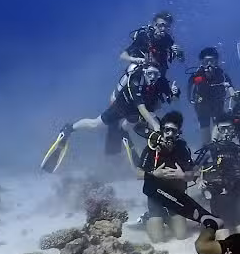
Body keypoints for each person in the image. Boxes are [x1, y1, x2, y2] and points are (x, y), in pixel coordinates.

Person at [41, 63, 175, 173]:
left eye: (156, 74)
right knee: (96, 124)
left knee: (128, 126)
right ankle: (69, 128)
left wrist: (175, 93)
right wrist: (155, 125)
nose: (153, 77)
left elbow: (168, 98)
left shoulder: (157, 83)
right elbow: (141, 107)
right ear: (144, 71)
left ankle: (124, 132)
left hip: (134, 111)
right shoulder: (135, 81)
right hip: (121, 107)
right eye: (150, 73)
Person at [137, 111, 196, 243]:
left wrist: (183, 175)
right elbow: (138, 173)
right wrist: (153, 174)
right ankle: (148, 218)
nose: (169, 134)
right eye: (167, 130)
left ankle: (168, 219)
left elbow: (193, 175)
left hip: (176, 199)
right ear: (161, 130)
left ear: (178, 133)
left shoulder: (182, 149)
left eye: (173, 131)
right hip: (156, 199)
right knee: (158, 239)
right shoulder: (151, 148)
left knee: (181, 235)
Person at [194, 114, 240, 237]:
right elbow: (194, 169)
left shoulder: (237, 150)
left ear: (233, 130)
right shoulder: (210, 150)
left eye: (229, 128)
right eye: (222, 129)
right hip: (218, 198)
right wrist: (198, 179)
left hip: (237, 197)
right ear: (217, 130)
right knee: (224, 239)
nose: (226, 132)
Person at [187, 47, 235, 143]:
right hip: (202, 106)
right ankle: (206, 150)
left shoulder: (221, 75)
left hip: (217, 105)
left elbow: (231, 89)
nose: (209, 64)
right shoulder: (197, 75)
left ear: (216, 62)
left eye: (212, 61)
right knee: (205, 128)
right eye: (206, 61)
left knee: (218, 127)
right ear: (202, 63)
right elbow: (189, 88)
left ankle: (216, 149)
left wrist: (233, 95)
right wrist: (191, 100)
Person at [120, 11, 184, 76]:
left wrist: (180, 53)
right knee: (132, 70)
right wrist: (135, 59)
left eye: (167, 27)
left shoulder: (168, 40)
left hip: (157, 74)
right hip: (140, 71)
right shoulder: (144, 36)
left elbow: (181, 60)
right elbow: (123, 55)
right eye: (161, 25)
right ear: (154, 25)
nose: (163, 29)